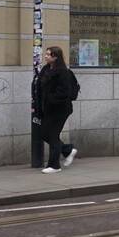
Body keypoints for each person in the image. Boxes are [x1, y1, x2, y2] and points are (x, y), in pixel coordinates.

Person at [33, 45, 78, 173]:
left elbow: (64, 92)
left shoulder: (63, 72)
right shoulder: (46, 69)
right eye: (46, 54)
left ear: (55, 57)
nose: (45, 56)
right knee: (44, 134)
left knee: (52, 135)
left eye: (48, 54)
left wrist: (50, 99)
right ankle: (67, 150)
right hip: (47, 109)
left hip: (60, 110)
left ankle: (54, 165)